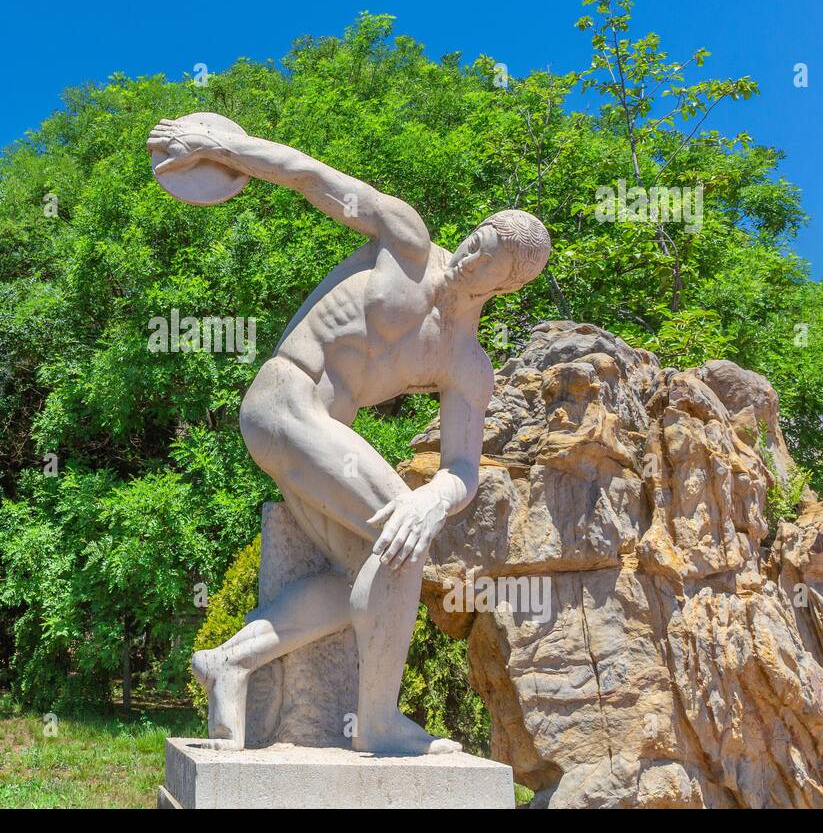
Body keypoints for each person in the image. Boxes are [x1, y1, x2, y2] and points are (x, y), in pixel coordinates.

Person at [148, 117, 551, 753]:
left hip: (315, 440)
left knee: (371, 568)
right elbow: (308, 174)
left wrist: (433, 500)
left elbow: (463, 468)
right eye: (476, 239)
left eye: (488, 260)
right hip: (284, 399)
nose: (469, 255)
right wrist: (220, 148)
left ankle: (229, 661)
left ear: (506, 284)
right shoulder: (409, 242)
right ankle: (377, 723)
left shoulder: (466, 365)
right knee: (400, 541)